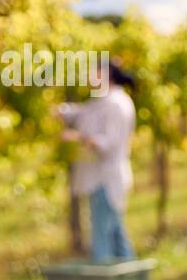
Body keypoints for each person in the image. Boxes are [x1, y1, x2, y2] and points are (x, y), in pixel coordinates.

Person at [58, 62, 138, 263]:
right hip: (98, 178)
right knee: (115, 233)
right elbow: (83, 112)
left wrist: (79, 137)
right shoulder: (102, 101)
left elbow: (108, 142)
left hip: (106, 178)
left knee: (102, 237)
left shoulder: (116, 104)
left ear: (106, 75)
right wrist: (63, 111)